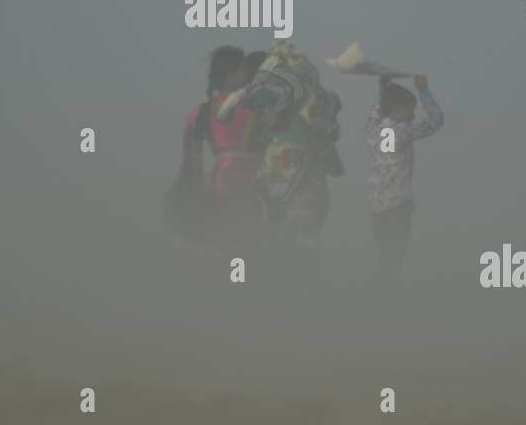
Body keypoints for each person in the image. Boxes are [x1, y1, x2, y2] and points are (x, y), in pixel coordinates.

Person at [219, 41, 344, 272]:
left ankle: (287, 291)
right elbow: (330, 132)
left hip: (286, 183)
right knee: (301, 244)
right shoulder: (315, 103)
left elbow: (247, 138)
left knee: (290, 243)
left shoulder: (280, 107)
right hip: (299, 182)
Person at [164, 47, 265, 247]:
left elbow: (193, 162)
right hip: (250, 183)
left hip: (222, 182)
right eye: (243, 70)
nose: (248, 75)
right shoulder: (255, 106)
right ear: (230, 75)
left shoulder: (201, 111)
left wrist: (197, 198)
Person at [365, 74, 444, 281]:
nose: (413, 115)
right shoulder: (402, 131)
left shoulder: (372, 131)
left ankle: (379, 300)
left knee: (384, 257)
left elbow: (375, 112)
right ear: (398, 109)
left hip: (376, 209)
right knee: (394, 261)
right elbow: (436, 121)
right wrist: (424, 91)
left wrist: (382, 90)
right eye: (411, 110)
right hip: (397, 207)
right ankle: (386, 303)